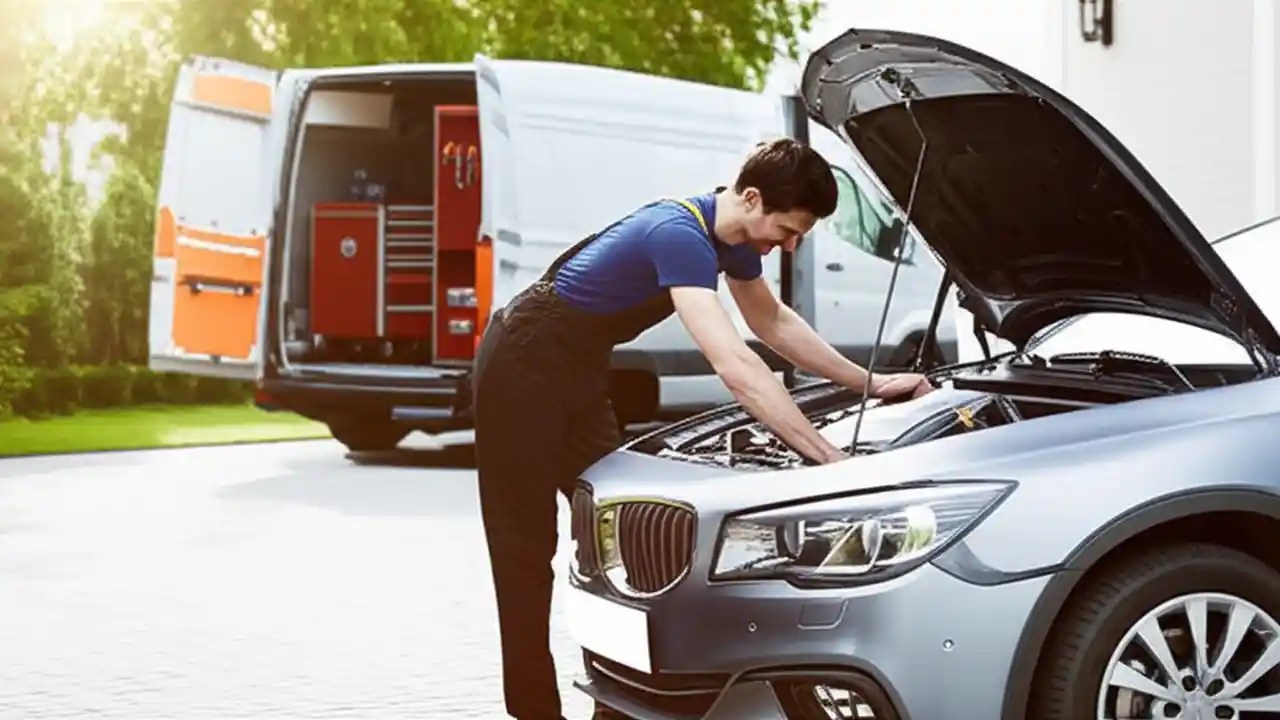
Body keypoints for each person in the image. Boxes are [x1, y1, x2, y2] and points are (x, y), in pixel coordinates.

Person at [470, 138, 934, 720]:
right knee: (524, 550)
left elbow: (772, 323)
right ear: (751, 197)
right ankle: (535, 713)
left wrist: (870, 382)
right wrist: (828, 460)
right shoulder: (679, 235)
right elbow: (735, 364)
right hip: (522, 360)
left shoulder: (731, 239)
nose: (789, 245)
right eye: (788, 230)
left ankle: (620, 705)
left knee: (623, 535)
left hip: (579, 368)